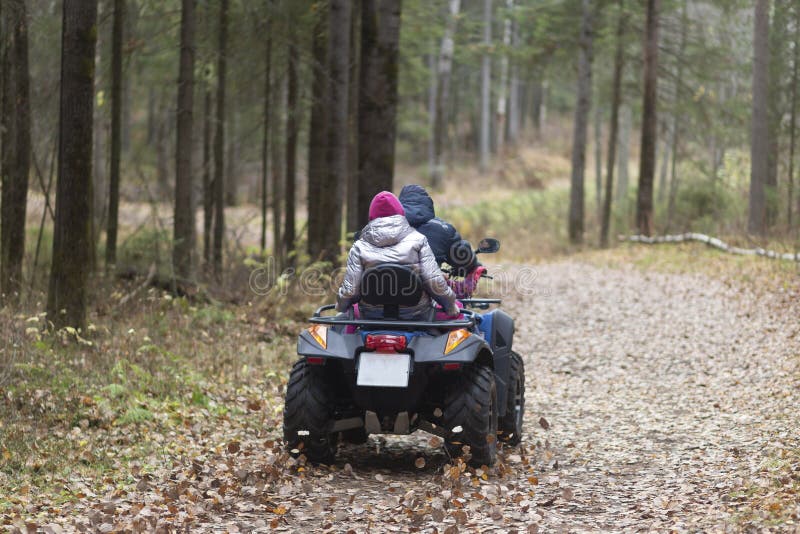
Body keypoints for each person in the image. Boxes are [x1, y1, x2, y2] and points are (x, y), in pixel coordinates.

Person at [337, 191, 459, 320]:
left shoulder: (359, 246)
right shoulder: (419, 240)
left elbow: (351, 290)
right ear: (401, 213)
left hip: (371, 315)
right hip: (417, 314)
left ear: (371, 216)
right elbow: (434, 281)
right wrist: (450, 305)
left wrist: (341, 306)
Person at [398, 184, 486, 298]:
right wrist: (473, 266)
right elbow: (461, 253)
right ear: (428, 204)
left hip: (383, 293)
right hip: (426, 297)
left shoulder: (388, 227)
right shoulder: (442, 228)